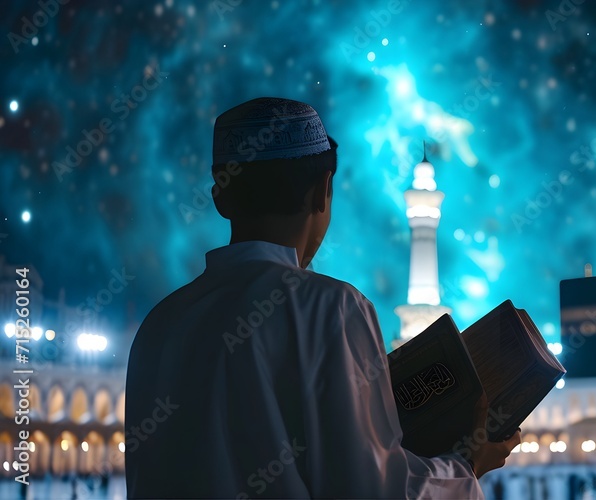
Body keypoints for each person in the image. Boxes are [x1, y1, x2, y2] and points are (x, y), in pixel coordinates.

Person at [125, 97, 519, 498]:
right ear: (322, 191)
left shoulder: (160, 324)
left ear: (220, 197)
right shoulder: (330, 308)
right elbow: (372, 489)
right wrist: (467, 466)